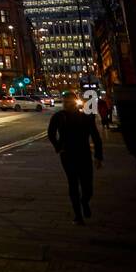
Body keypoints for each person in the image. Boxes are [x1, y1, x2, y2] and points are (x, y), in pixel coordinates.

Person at [48, 93, 104, 224]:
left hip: (84, 154)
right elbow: (51, 133)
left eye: (69, 102)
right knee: (73, 184)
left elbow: (96, 137)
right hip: (67, 155)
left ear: (75, 103)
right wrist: (58, 147)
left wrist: (98, 156)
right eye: (65, 102)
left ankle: (84, 201)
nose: (66, 104)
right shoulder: (58, 117)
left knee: (88, 186)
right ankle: (78, 215)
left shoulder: (86, 117)